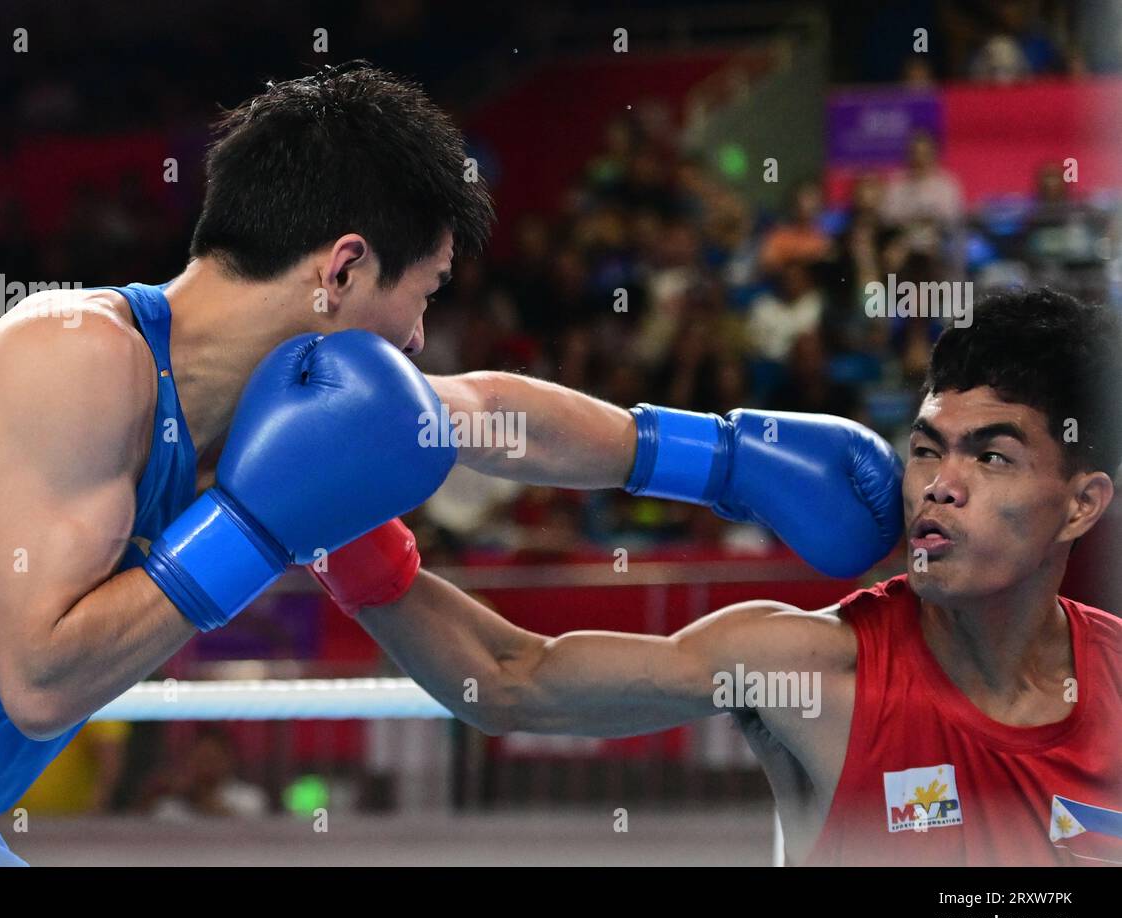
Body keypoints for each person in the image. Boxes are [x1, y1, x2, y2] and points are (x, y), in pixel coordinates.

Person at [0, 62, 899, 865]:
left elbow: (502, 647)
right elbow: (44, 678)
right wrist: (252, 527)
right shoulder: (75, 358)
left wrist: (719, 463)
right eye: (422, 295)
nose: (420, 343)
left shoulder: (283, 434)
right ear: (343, 267)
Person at [316, 287, 1122, 866]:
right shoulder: (811, 670)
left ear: (1082, 504)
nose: (941, 484)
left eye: (990, 455)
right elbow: (508, 680)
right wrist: (331, 526)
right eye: (924, 448)